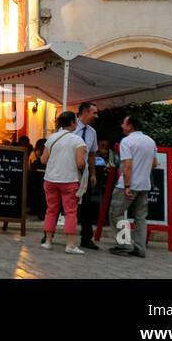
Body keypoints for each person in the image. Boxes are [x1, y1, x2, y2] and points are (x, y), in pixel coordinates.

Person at [39, 111, 89, 254]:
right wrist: (84, 167)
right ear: (73, 123)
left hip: (50, 179)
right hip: (69, 180)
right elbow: (80, 163)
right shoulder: (78, 141)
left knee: (51, 210)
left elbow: (43, 160)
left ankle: (48, 241)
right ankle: (70, 244)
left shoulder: (51, 138)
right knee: (70, 212)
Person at [110, 114, 157, 259]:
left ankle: (124, 245)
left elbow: (128, 165)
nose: (122, 126)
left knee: (116, 214)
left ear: (130, 125)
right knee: (140, 217)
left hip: (129, 184)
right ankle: (140, 248)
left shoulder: (127, 141)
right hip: (144, 185)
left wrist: (127, 185)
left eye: (124, 123)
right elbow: (154, 163)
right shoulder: (150, 141)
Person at [73, 102, 100, 250]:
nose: (96, 116)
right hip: (69, 171)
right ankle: (48, 233)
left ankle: (86, 238)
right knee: (62, 203)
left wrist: (93, 174)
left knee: (86, 206)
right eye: (94, 113)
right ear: (85, 112)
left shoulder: (92, 132)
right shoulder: (70, 128)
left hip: (85, 173)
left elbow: (91, 154)